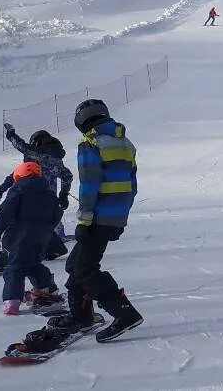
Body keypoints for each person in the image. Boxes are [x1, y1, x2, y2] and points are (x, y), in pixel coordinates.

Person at [45, 99, 143, 342]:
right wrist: (120, 220)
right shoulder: (125, 144)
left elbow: (89, 187)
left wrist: (84, 222)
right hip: (113, 217)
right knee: (75, 265)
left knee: (85, 269)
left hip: (97, 217)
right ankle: (81, 315)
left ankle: (124, 313)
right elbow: (132, 186)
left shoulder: (91, 143)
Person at [0, 160, 63, 315]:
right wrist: (48, 228)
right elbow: (57, 213)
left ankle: (12, 301)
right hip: (42, 236)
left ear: (19, 175)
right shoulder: (49, 192)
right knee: (33, 264)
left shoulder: (18, 190)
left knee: (15, 267)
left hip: (20, 235)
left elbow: (5, 213)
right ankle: (47, 289)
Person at [0, 125, 73, 260]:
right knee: (46, 222)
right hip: (49, 200)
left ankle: (11, 251)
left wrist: (11, 135)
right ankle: (55, 243)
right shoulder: (57, 160)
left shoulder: (37, 155)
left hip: (30, 197)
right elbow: (67, 176)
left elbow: (22, 146)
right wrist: (63, 195)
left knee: (20, 222)